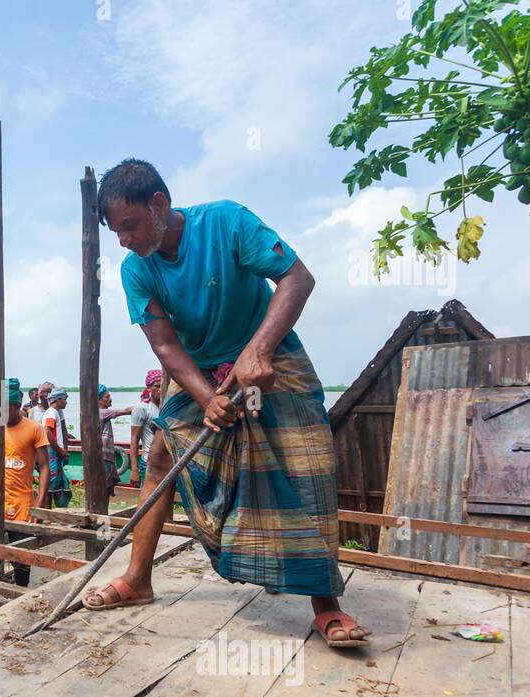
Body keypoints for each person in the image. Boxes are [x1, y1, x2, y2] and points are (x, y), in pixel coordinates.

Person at [82, 158, 367, 648]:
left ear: (159, 204)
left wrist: (258, 350)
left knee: (308, 464)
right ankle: (137, 579)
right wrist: (208, 398)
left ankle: (327, 606)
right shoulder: (136, 270)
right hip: (198, 369)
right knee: (162, 455)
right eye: (116, 232)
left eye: (128, 226)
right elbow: (166, 346)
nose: (124, 241)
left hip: (270, 354)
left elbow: (297, 279)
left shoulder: (226, 221)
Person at [0, 378, 50, 586]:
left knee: (22, 560)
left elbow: (44, 467)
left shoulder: (34, 429)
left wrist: (39, 507)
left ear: (16, 406)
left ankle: (20, 595)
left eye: (7, 408)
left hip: (22, 505)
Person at [128, 369, 163, 488]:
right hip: (149, 461)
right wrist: (134, 471)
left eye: (163, 386)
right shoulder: (142, 408)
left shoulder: (165, 408)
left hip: (166, 461)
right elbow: (134, 440)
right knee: (149, 500)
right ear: (148, 388)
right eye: (157, 386)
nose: (161, 389)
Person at [97, 384, 134, 496]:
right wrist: (142, 407)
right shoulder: (103, 412)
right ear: (98, 400)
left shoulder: (96, 412)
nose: (110, 399)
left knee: (105, 487)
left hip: (104, 456)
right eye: (106, 397)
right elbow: (126, 411)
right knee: (105, 487)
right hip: (104, 457)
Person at [42, 387, 72, 508]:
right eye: (64, 399)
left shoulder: (57, 412)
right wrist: (60, 450)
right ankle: (47, 513)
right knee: (51, 485)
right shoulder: (51, 412)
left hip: (54, 452)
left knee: (55, 485)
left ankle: (52, 512)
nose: (66, 402)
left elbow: (61, 431)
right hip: (52, 452)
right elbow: (48, 432)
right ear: (58, 399)